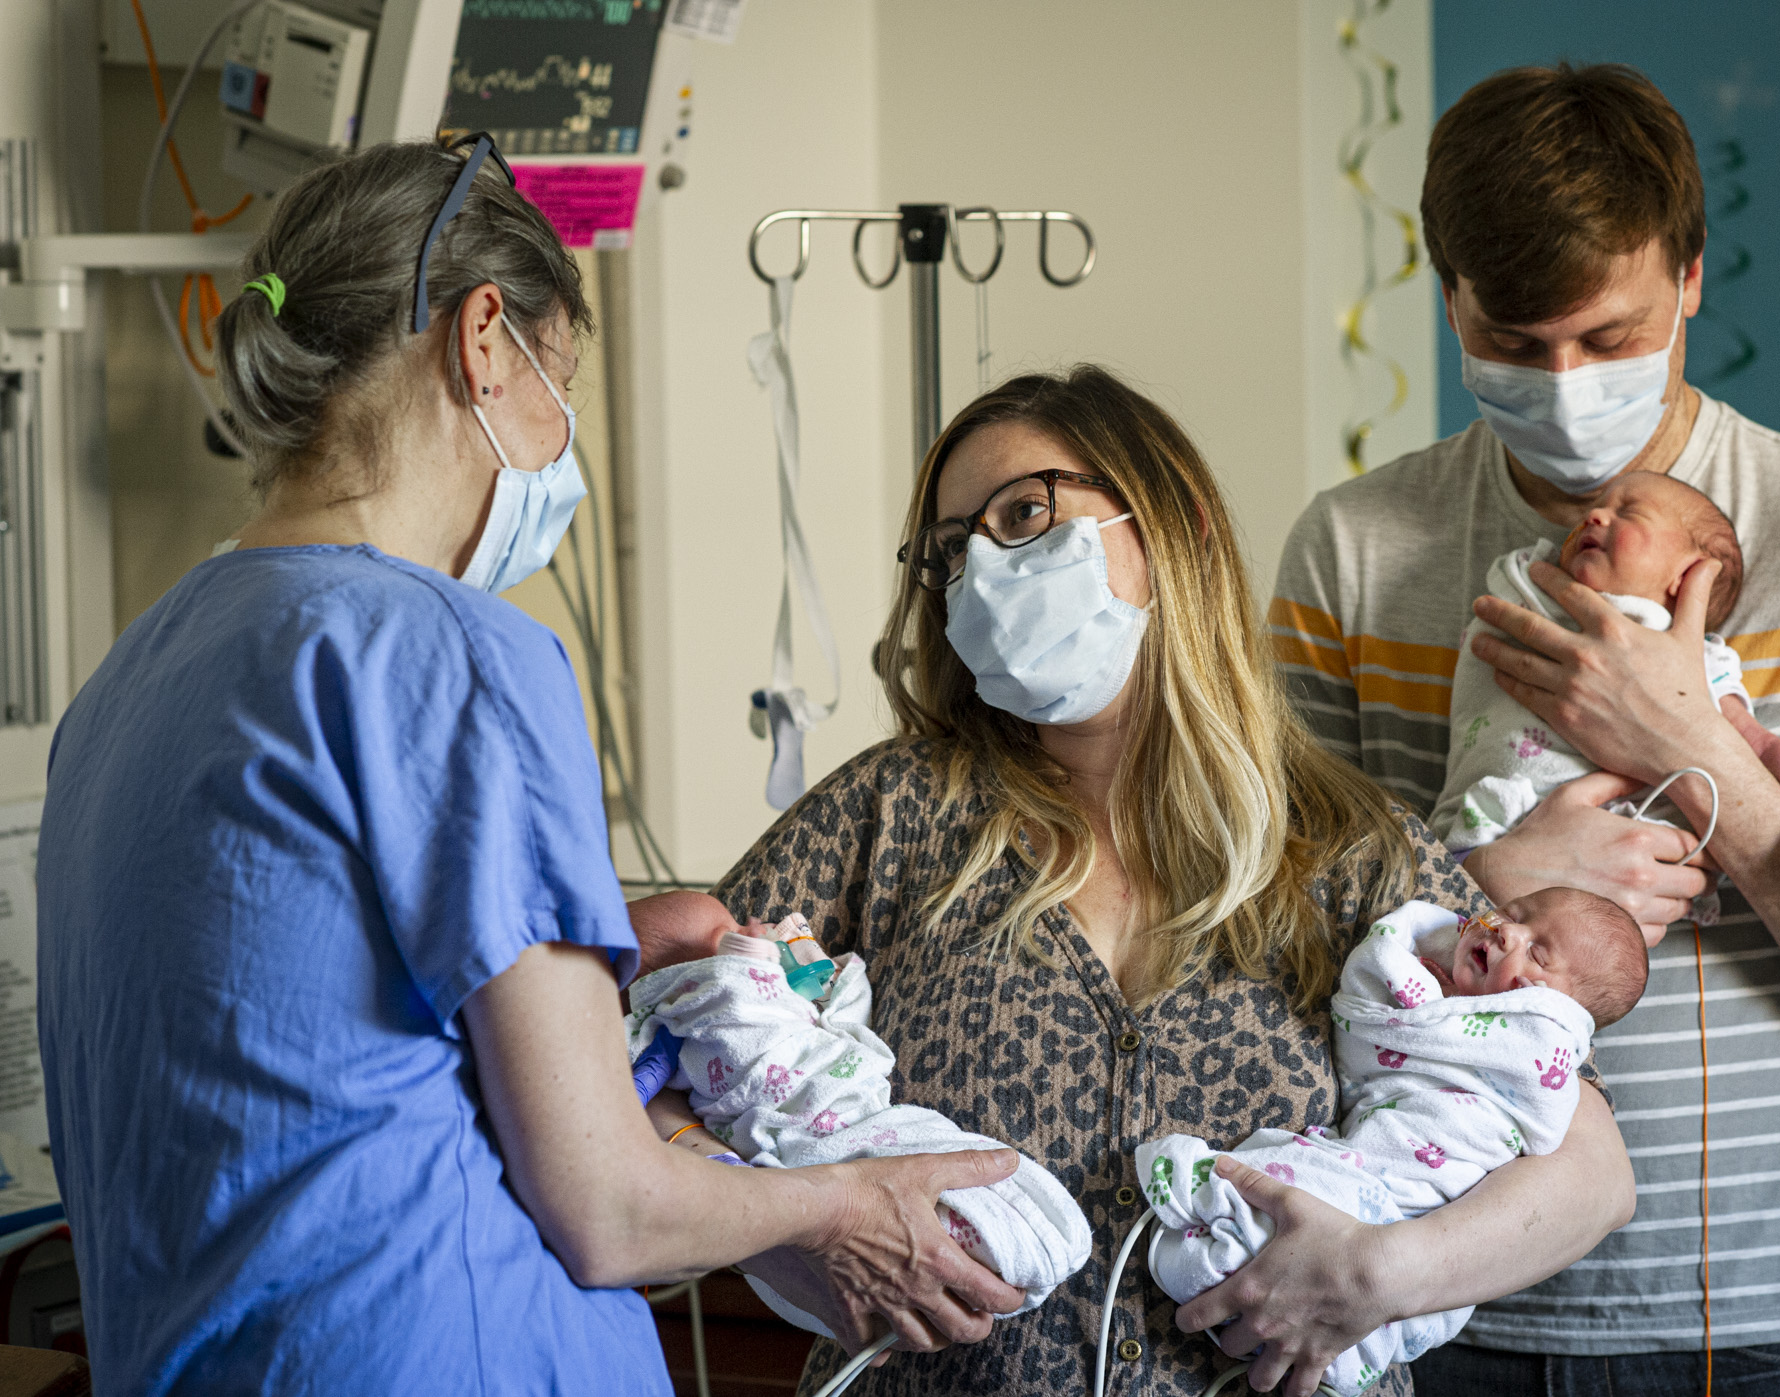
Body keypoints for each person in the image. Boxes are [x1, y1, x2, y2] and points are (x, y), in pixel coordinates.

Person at [35, 137, 1022, 1395]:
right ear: (484, 339)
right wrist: (839, 1205)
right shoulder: (457, 647)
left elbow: (298, 1035)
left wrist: (597, 930)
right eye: (558, 388)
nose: (558, 446)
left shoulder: (126, 682)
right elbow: (611, 1208)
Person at [632, 365, 1637, 1397]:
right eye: (949, 550)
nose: (982, 565)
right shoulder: (884, 819)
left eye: (1024, 513)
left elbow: (1589, 1168)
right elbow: (630, 1056)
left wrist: (1383, 1273)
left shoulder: (1354, 852)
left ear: (1175, 524)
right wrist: (788, 1234)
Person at [1271, 63, 1780, 1395]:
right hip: (1430, 1296)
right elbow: (1259, 934)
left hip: (1765, 1323)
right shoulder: (1352, 552)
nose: (1561, 384)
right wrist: (1487, 884)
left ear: (1689, 280)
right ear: (1451, 303)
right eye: (1511, 340)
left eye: (1607, 339)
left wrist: (1696, 747)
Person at [1138, 890, 1648, 1396]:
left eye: (1537, 953)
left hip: (1424, 1183)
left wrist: (1386, 1268)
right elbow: (1395, 1016)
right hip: (1377, 1147)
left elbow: (1593, 1171)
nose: (1507, 930)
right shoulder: (1446, 959)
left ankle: (1215, 1218)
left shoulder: (1538, 1043)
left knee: (1325, 1198)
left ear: (1547, 1005)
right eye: (1513, 913)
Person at [622, 901, 1093, 1318]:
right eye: (727, 931)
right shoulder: (706, 1002)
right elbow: (624, 1080)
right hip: (802, 1136)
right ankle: (977, 1235)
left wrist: (824, 987)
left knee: (925, 1152)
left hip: (855, 1110)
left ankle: (994, 1233)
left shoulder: (776, 999)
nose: (753, 923)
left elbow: (844, 1018)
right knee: (889, 1168)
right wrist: (790, 1220)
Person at [1431, 471, 1780, 896]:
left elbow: (1760, 745)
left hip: (1600, 863)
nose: (1594, 515)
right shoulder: (1528, 592)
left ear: (1685, 575)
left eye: (1629, 513)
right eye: (1598, 507)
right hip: (1477, 830)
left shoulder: (1697, 660)